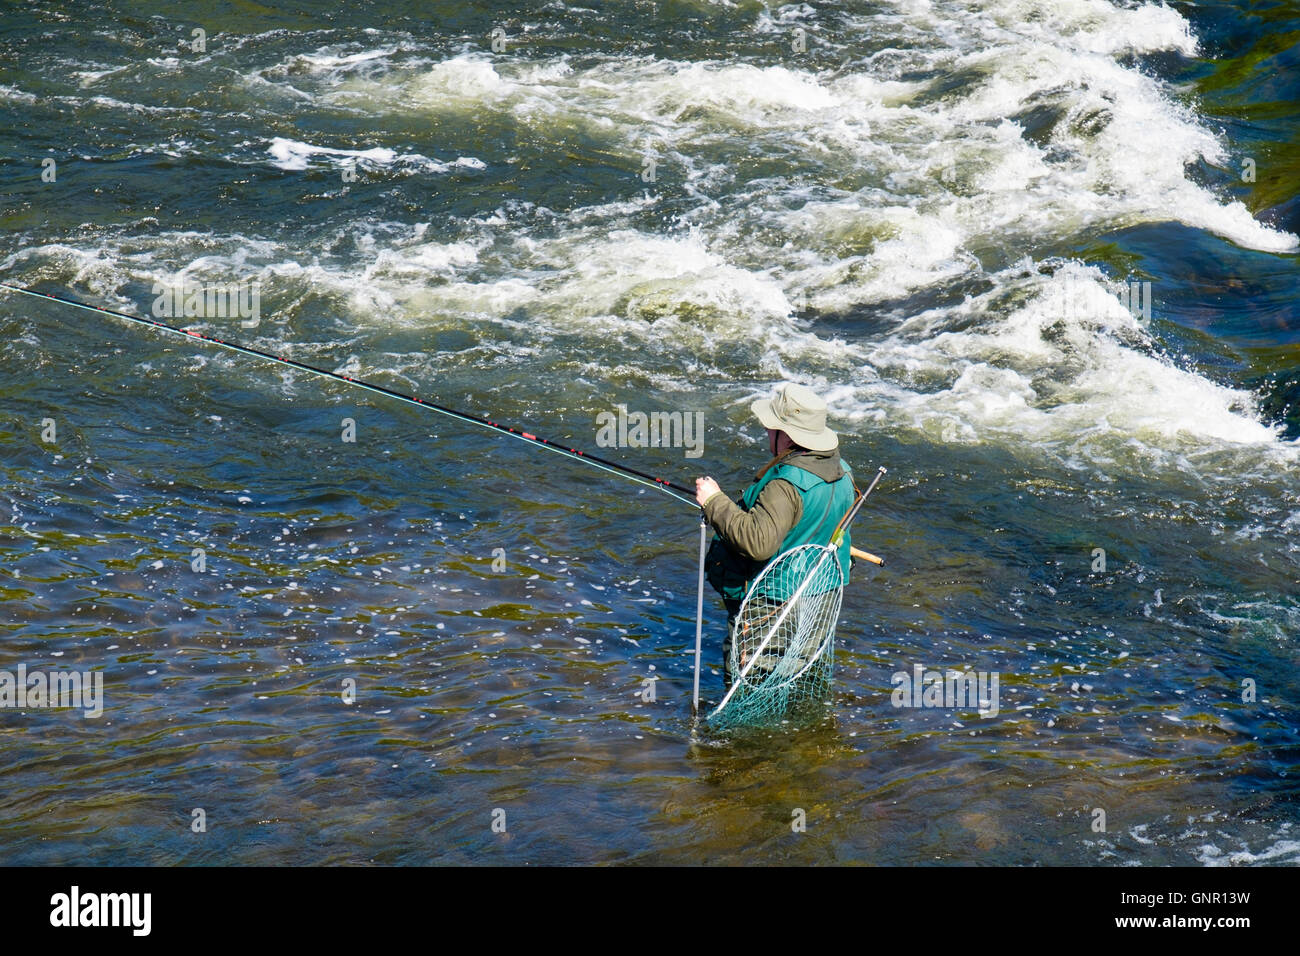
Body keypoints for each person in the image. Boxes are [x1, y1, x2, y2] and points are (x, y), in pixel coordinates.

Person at [695, 382, 855, 683]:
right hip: (820, 596)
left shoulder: (785, 486)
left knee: (749, 684)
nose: (768, 433)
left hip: (772, 603)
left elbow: (758, 543)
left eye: (772, 428)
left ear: (789, 436)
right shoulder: (843, 471)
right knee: (799, 677)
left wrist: (714, 501)